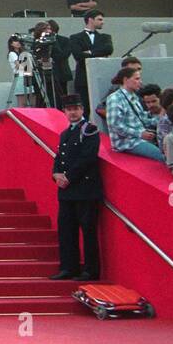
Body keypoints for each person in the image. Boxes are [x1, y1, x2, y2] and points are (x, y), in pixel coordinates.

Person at [49, 94, 102, 281]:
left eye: (76, 109)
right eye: (69, 109)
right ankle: (68, 267)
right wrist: (55, 174)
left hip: (85, 189)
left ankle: (90, 269)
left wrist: (68, 177)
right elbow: (59, 157)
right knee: (66, 230)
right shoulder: (65, 133)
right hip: (67, 191)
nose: (72, 112)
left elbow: (87, 158)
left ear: (82, 110)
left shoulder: (90, 130)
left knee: (88, 231)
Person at [104, 66, 162, 161]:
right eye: (137, 79)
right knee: (160, 156)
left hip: (138, 139)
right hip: (127, 143)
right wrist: (140, 134)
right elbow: (115, 125)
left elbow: (144, 120)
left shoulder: (134, 97)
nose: (140, 82)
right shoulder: (114, 98)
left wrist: (162, 118)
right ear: (126, 80)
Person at [68, 9, 112, 113]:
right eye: (99, 19)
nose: (103, 22)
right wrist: (97, 52)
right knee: (84, 107)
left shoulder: (105, 37)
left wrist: (89, 52)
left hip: (100, 75)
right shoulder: (75, 37)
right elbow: (78, 55)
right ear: (90, 20)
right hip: (83, 76)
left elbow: (108, 49)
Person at [8, 36, 33, 107]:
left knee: (33, 100)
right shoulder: (12, 54)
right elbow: (19, 66)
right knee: (22, 102)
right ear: (11, 44)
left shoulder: (25, 52)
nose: (18, 43)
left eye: (19, 41)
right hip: (20, 78)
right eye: (15, 41)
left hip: (28, 76)